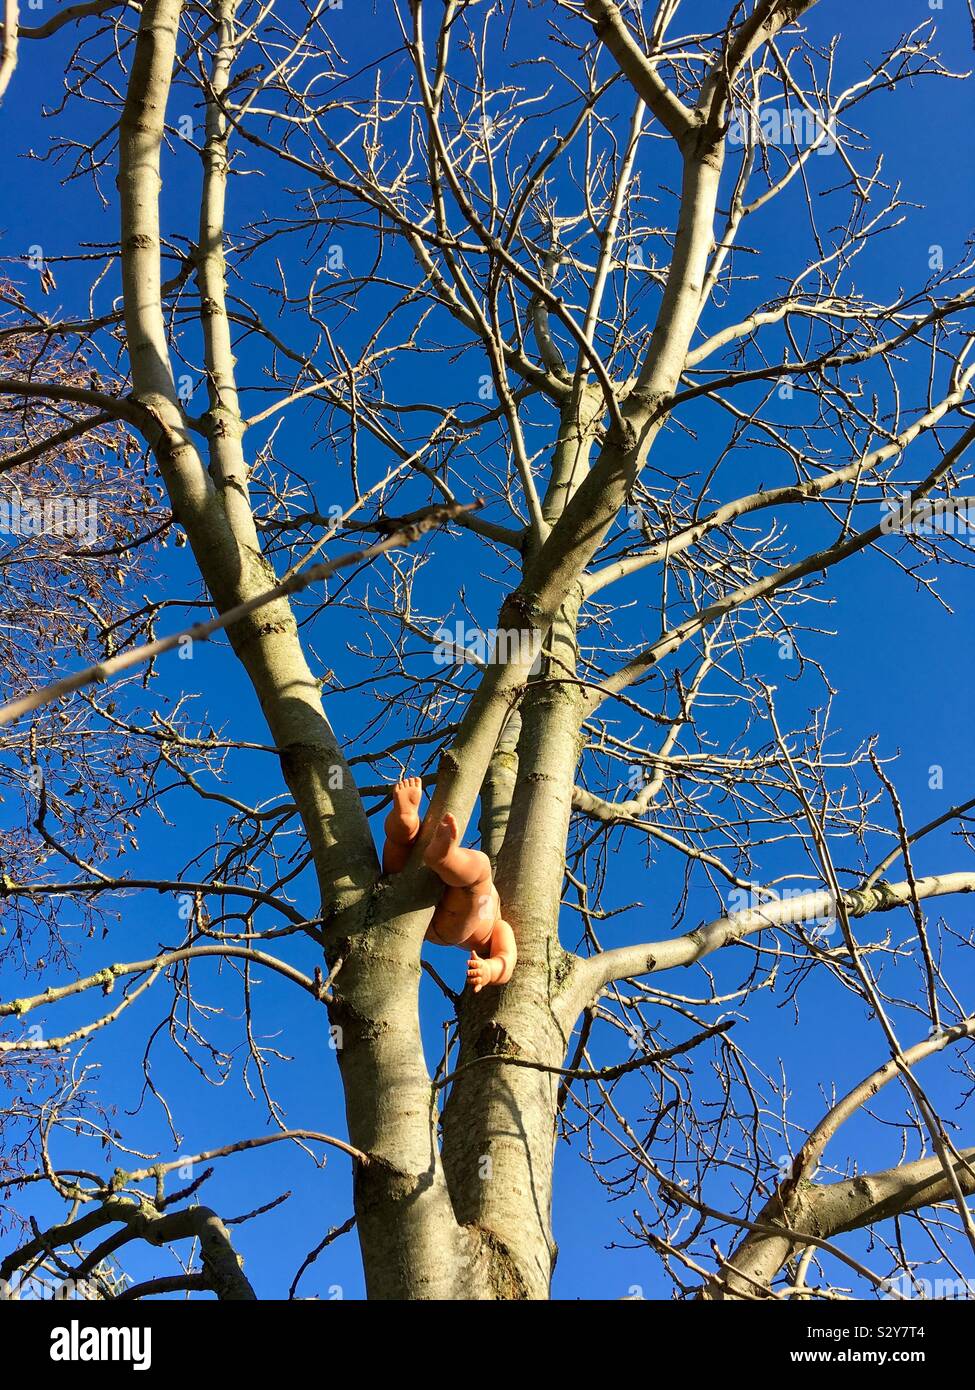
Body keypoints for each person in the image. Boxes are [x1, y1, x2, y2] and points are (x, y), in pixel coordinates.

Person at [382, 777, 517, 992]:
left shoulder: (496, 925)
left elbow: (505, 961)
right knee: (406, 856)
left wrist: (489, 970)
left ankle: (423, 843)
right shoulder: (492, 916)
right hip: (434, 917)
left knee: (481, 867)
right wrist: (490, 970)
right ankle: (407, 825)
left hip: (452, 920)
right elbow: (506, 960)